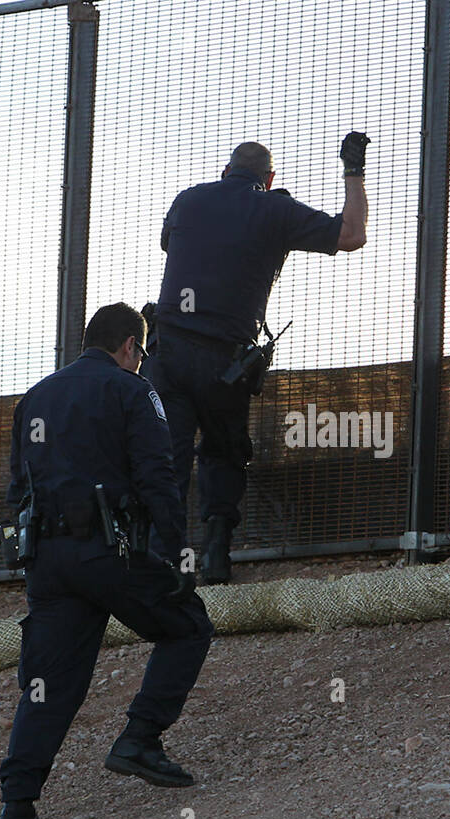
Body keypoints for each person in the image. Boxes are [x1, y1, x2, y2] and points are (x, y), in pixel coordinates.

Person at [0, 303, 215, 819]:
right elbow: (158, 477)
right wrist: (178, 555)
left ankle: (15, 813)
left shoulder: (36, 398)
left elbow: (17, 493)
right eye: (142, 352)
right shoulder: (133, 392)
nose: (142, 361)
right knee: (187, 626)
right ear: (129, 347)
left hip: (48, 561)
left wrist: (29, 558)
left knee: (50, 683)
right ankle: (140, 739)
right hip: (107, 552)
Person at [147, 133, 370, 584]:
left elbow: (171, 245)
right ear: (268, 178)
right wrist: (352, 171)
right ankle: (215, 558)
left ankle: (162, 564)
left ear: (226, 171)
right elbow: (352, 235)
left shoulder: (187, 200)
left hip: (168, 352)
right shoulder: (275, 209)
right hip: (223, 361)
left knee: (165, 458)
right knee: (223, 451)